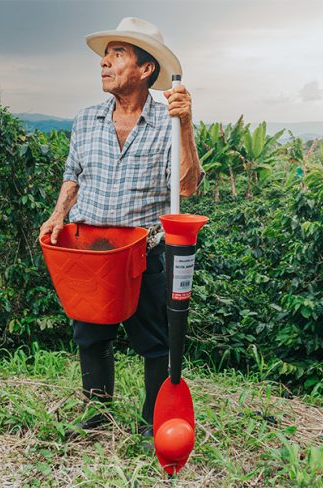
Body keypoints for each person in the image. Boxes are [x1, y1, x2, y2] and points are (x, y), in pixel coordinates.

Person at [37, 17, 203, 437]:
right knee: (90, 336)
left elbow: (188, 187)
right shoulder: (87, 118)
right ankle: (97, 415)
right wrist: (59, 213)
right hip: (92, 251)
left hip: (143, 253)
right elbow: (73, 174)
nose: (104, 64)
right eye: (106, 55)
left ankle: (152, 422)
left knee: (155, 343)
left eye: (117, 55)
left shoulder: (168, 121)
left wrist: (184, 124)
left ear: (145, 70)